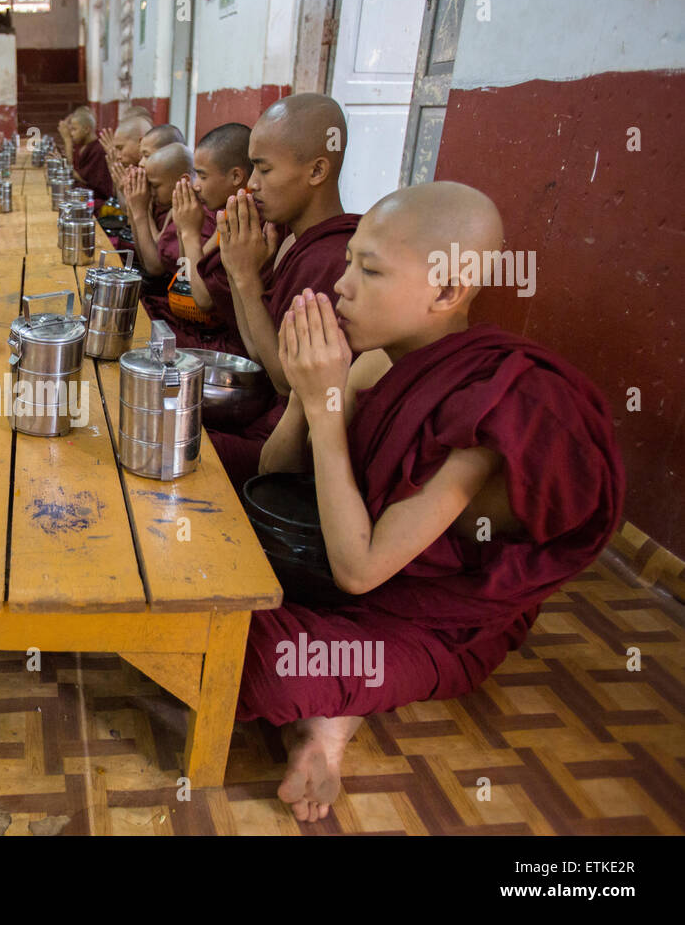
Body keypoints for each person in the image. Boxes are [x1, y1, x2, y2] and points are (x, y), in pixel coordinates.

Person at [239, 181, 624, 823]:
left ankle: (330, 719)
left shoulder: (489, 409)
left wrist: (328, 415)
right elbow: (279, 486)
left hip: (428, 622)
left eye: (370, 271)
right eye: (348, 261)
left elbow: (360, 570)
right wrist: (309, 397)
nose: (342, 286)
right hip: (337, 570)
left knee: (256, 661)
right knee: (205, 569)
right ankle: (331, 719)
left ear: (446, 292)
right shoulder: (374, 361)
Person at [208, 94, 361, 485]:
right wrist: (238, 270)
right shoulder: (289, 238)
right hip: (263, 417)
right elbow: (256, 349)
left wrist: (246, 277)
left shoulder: (333, 257)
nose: (252, 184)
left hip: (290, 448)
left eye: (264, 169)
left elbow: (283, 380)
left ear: (317, 170)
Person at [162, 122, 253, 353]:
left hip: (231, 344)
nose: (196, 185)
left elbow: (202, 299)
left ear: (236, 176)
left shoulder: (244, 219)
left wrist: (190, 233)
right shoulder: (227, 213)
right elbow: (186, 272)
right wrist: (183, 230)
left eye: (202, 176)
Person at [118, 143, 193, 284]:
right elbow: (143, 258)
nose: (141, 163)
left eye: (155, 186)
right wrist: (135, 207)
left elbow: (154, 267)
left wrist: (140, 211)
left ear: (183, 180)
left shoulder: (188, 211)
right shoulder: (169, 205)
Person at [57, 108, 112, 203]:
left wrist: (67, 141)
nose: (71, 134)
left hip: (94, 200)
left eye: (74, 129)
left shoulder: (98, 150)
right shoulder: (82, 146)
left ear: (86, 129)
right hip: (80, 195)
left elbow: (86, 181)